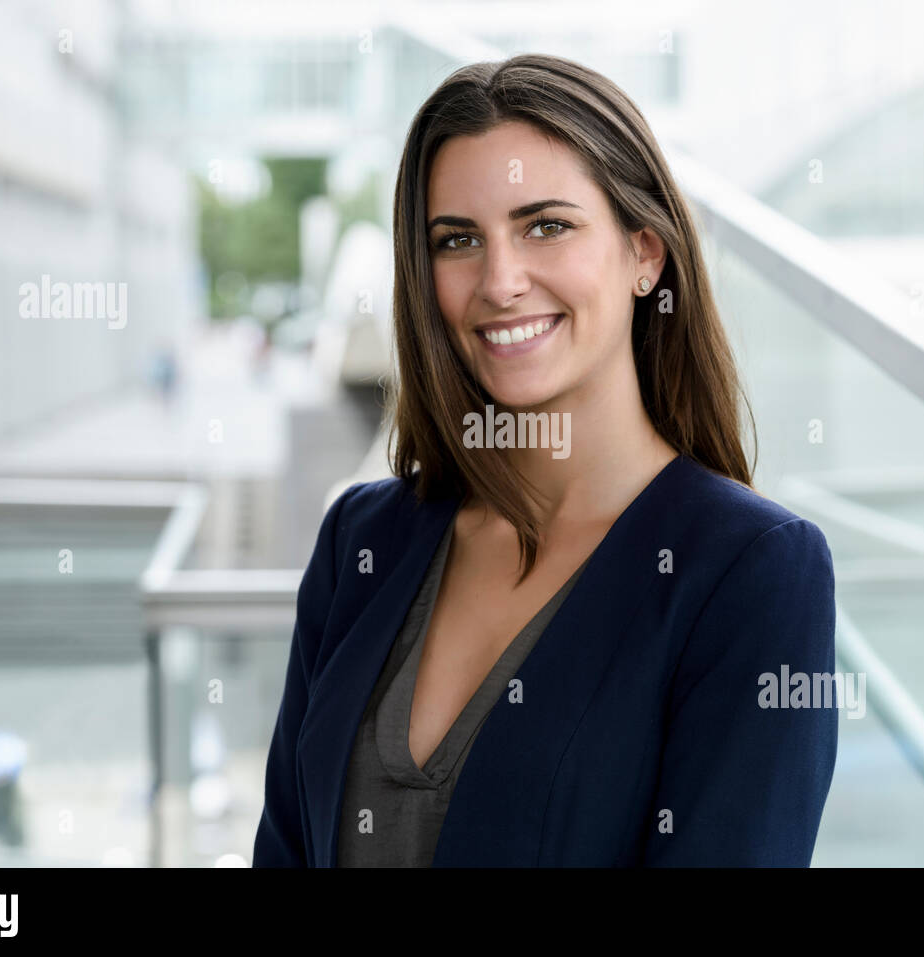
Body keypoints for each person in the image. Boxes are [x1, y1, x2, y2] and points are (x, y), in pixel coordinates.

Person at [253, 53, 837, 868]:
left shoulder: (750, 571)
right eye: (457, 240)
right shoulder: (361, 540)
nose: (499, 281)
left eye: (546, 226)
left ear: (646, 252)